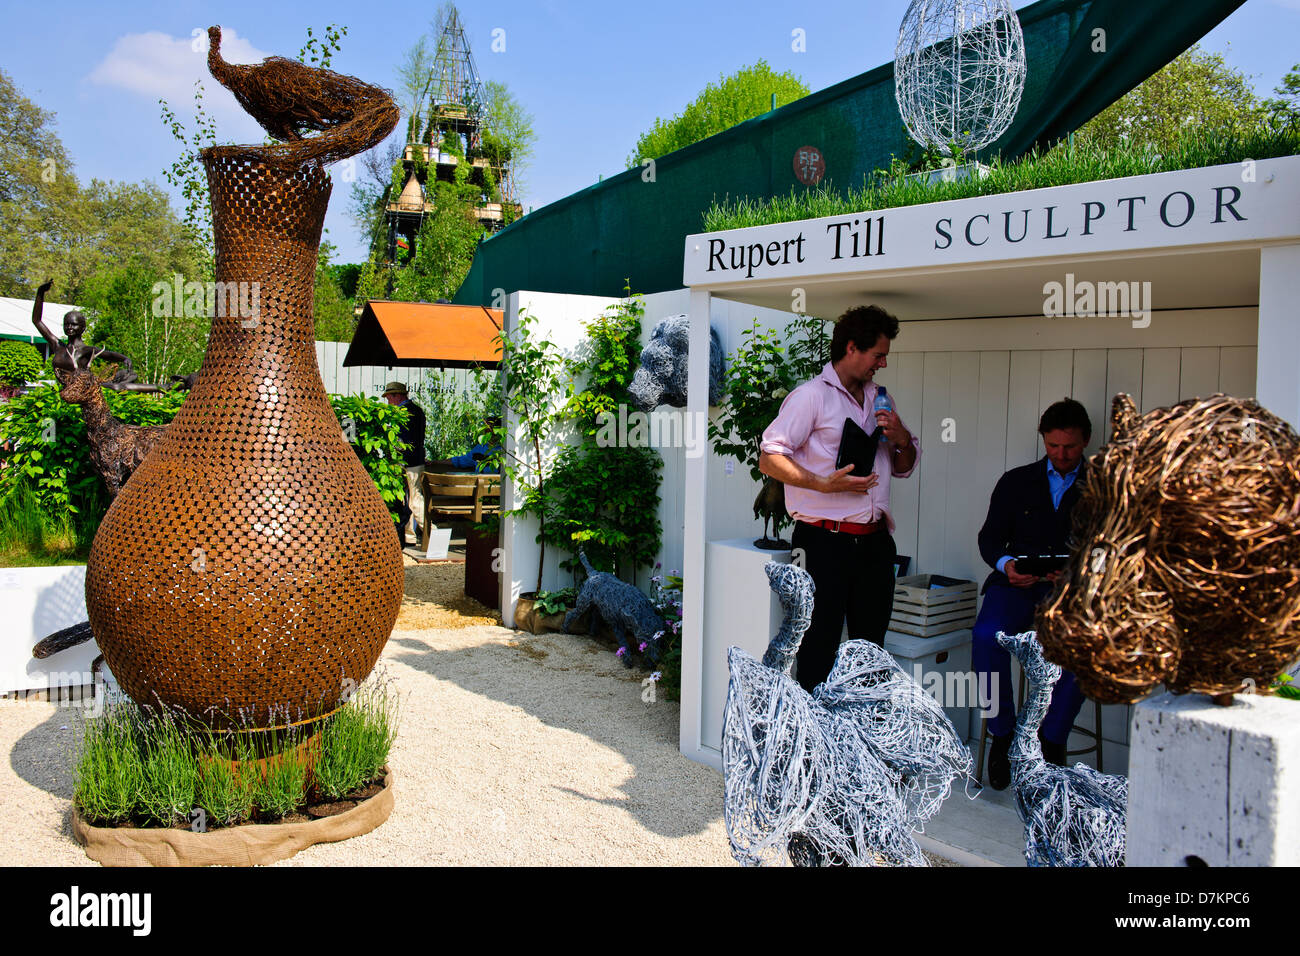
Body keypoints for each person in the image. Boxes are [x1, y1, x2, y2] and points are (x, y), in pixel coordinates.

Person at [759, 305, 921, 692]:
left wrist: (901, 438)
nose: (882, 363)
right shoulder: (810, 397)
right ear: (852, 348)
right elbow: (769, 457)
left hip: (875, 544)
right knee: (818, 648)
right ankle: (815, 747)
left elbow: (904, 465)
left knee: (872, 654)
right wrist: (822, 484)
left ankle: (862, 743)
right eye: (877, 354)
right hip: (822, 543)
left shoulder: (882, 399)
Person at [974, 398, 1091, 789]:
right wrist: (1007, 564)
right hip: (1015, 586)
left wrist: (1077, 573)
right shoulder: (1016, 481)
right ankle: (1002, 733)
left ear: (1085, 442)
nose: (1060, 454)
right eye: (1053, 446)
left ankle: (1050, 740)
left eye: (1069, 447)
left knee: (1084, 648)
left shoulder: (1103, 488)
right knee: (985, 637)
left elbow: (1115, 549)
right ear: (1044, 440)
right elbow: (989, 538)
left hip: (1071, 595)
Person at [382, 381, 426, 547]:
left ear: (397, 395)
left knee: (414, 500)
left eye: (389, 397)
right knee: (408, 500)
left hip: (408, 462)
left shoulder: (404, 412)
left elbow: (403, 440)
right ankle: (409, 536)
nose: (388, 401)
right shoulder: (417, 411)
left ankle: (433, 533)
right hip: (415, 460)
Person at [425, 415, 503, 474]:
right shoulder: (480, 448)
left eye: (490, 427)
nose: (486, 430)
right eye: (485, 428)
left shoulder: (505, 448)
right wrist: (435, 462)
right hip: (482, 489)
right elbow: (459, 461)